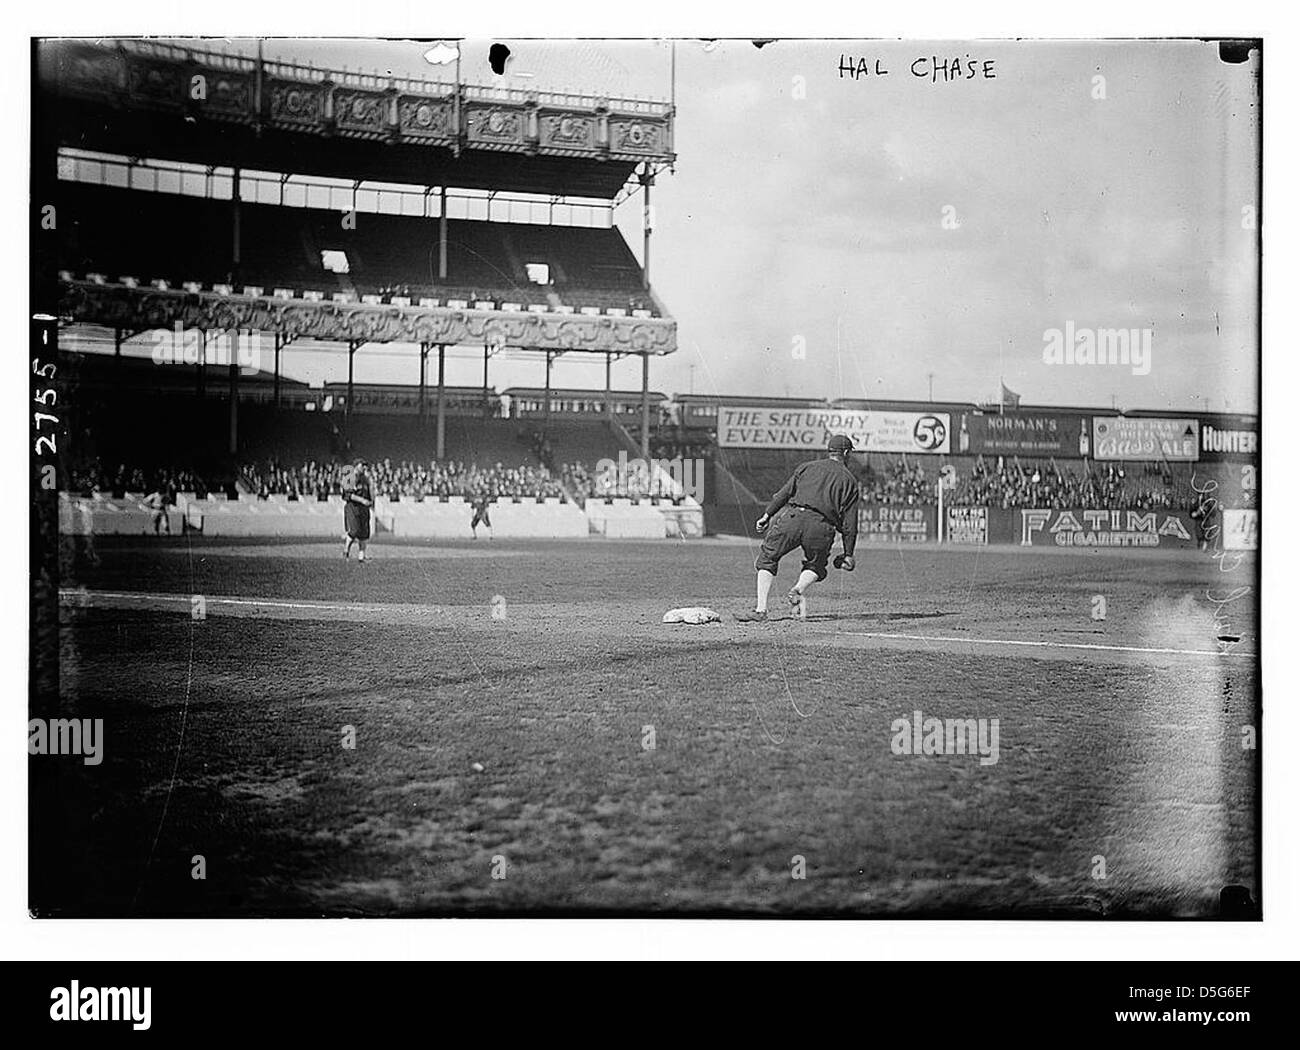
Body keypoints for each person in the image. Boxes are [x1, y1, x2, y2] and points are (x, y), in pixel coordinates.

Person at [737, 433, 861, 622]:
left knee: (768, 556)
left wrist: (767, 515)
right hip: (822, 526)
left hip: (794, 517)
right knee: (816, 565)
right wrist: (849, 553)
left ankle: (761, 610)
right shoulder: (850, 480)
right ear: (845, 453)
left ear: (830, 451)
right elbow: (850, 524)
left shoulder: (807, 467)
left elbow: (783, 494)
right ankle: (798, 589)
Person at [342, 462, 373, 562]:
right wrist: (362, 500)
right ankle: (346, 550)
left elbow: (369, 493)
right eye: (362, 465)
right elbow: (348, 495)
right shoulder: (349, 478)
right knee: (354, 530)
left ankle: (361, 556)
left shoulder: (365, 479)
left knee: (364, 532)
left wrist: (369, 501)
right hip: (353, 506)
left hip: (364, 508)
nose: (364, 467)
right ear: (356, 466)